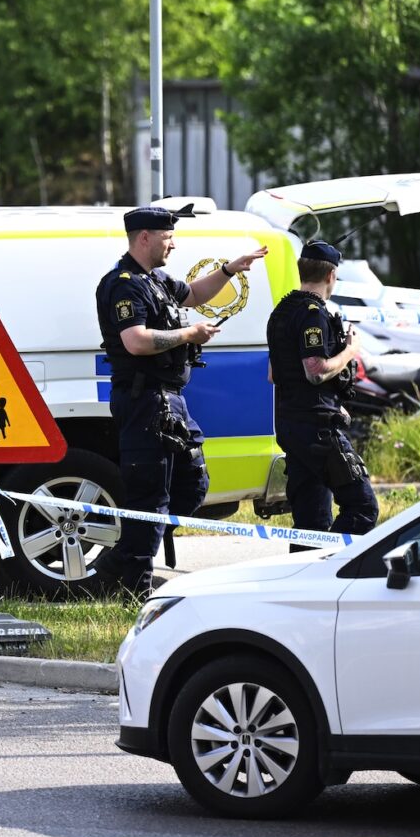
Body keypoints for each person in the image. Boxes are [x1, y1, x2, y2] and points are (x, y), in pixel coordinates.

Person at [90, 205, 269, 593]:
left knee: (192, 483)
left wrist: (230, 269)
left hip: (170, 401)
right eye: (167, 237)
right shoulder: (124, 284)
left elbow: (192, 295)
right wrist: (190, 336)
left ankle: (119, 561)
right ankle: (133, 587)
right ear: (144, 238)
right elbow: (135, 341)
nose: (173, 243)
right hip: (143, 401)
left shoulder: (156, 279)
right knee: (149, 498)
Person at [266, 240, 378, 548]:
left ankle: (301, 583)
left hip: (291, 424)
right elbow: (315, 370)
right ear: (331, 276)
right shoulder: (313, 314)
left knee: (310, 522)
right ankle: (328, 569)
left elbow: (274, 374)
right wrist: (350, 351)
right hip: (317, 429)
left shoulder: (281, 311)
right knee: (363, 507)